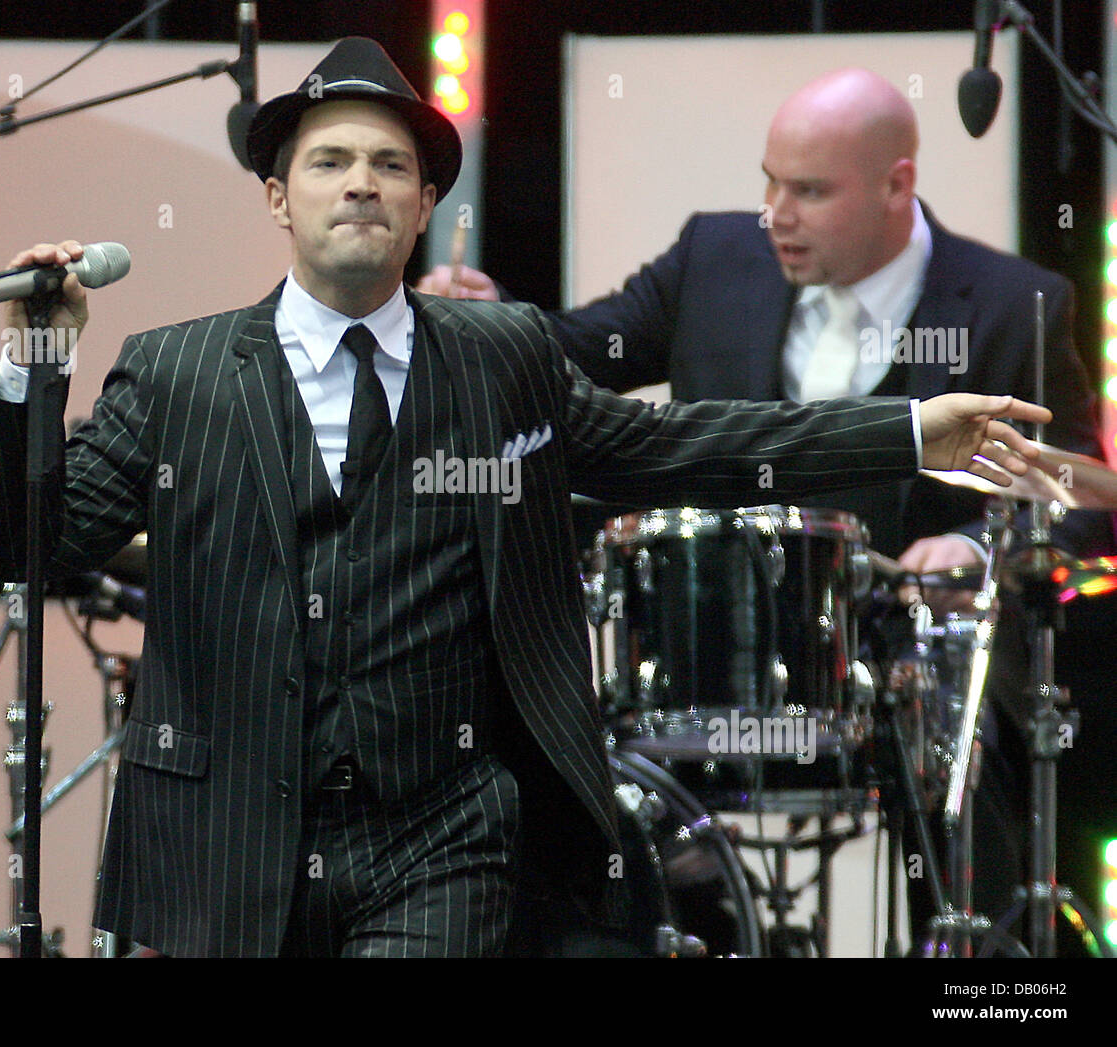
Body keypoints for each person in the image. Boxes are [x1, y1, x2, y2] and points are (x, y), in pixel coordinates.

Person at [0, 43, 1049, 958]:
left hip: (440, 837)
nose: (361, 183)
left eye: (391, 165)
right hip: (227, 837)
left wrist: (908, 430)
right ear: (277, 196)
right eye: (330, 160)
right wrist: (32, 370)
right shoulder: (178, 372)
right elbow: (26, 550)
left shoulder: (501, 359)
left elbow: (674, 444)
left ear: (426, 200)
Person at [420, 67, 1113, 947]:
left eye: (810, 192)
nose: (774, 213)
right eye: (769, 181)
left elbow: (1079, 491)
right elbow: (574, 354)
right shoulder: (715, 256)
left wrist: (976, 546)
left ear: (899, 184)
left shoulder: (1017, 304)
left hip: (909, 673)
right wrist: (489, 326)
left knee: (979, 776)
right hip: (713, 645)